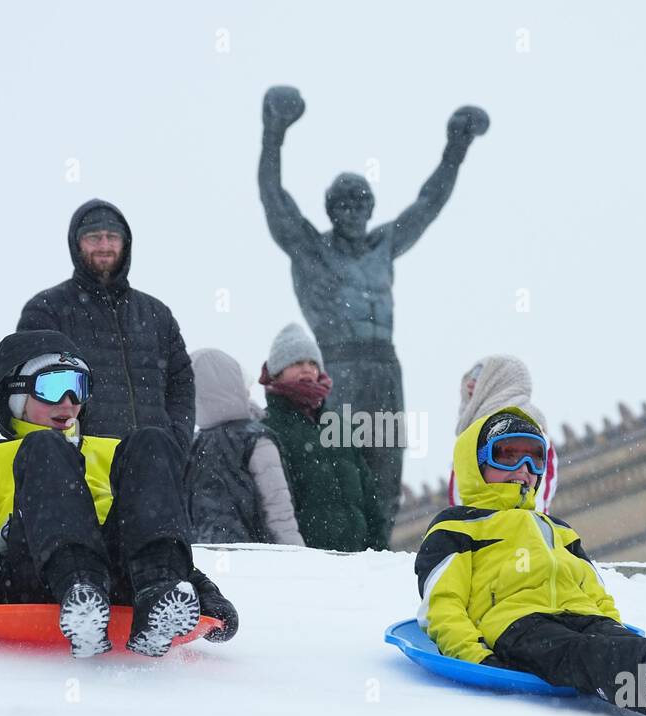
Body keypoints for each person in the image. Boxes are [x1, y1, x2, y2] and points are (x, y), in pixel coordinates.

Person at [415, 408, 646, 716]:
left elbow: (594, 588)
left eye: (534, 459)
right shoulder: (458, 525)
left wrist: (610, 623)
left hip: (583, 613)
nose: (523, 471)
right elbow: (442, 604)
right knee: (589, 656)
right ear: (475, 464)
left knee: (621, 644)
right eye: (508, 456)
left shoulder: (557, 528)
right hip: (519, 625)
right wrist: (478, 656)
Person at [258, 85, 489, 532]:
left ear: (370, 207)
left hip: (385, 367)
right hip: (339, 363)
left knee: (386, 469)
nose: (353, 211)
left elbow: (429, 203)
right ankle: (338, 552)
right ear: (330, 210)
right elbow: (275, 199)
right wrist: (274, 133)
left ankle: (380, 550)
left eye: (360, 202)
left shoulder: (383, 245)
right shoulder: (312, 249)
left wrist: (456, 146)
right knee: (340, 465)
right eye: (343, 204)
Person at [0, 330, 237, 658]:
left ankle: (157, 591)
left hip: (115, 577)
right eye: (51, 387)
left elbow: (148, 522)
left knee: (152, 442)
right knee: (46, 447)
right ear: (15, 397)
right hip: (31, 571)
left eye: (78, 388)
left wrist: (200, 586)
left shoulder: (110, 450)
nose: (68, 403)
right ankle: (78, 589)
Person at [18, 199, 195, 449]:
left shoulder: (156, 314)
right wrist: (63, 452)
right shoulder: (47, 310)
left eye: (112, 237)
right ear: (76, 244)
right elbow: (30, 390)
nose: (104, 245)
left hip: (154, 467)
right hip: (81, 469)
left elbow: (182, 385)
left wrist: (177, 442)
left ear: (125, 243)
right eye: (94, 237)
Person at [260, 324, 389, 552]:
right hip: (309, 564)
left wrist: (379, 549)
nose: (307, 369)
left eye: (312, 363)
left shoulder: (340, 425)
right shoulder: (268, 430)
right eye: (297, 362)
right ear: (278, 371)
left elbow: (369, 497)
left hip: (359, 560)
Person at [186, 348, 304, 545]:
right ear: (231, 385)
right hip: (256, 561)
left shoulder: (192, 445)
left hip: (205, 560)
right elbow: (279, 512)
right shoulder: (256, 439)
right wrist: (299, 560)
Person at [448, 355, 558, 513]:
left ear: (499, 380)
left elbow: (533, 509)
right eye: (471, 375)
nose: (470, 382)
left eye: (480, 374)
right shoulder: (471, 442)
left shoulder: (532, 436)